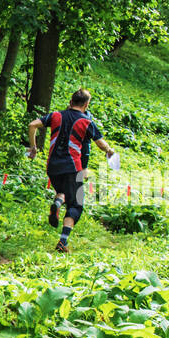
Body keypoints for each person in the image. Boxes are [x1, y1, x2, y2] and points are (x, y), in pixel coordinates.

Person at [26, 88, 118, 253]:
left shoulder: (55, 115)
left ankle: (57, 202)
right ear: (86, 104)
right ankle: (62, 242)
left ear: (71, 101)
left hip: (52, 167)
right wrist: (109, 151)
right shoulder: (86, 122)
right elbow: (100, 143)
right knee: (76, 204)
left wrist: (33, 148)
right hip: (72, 168)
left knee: (62, 191)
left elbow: (32, 125)